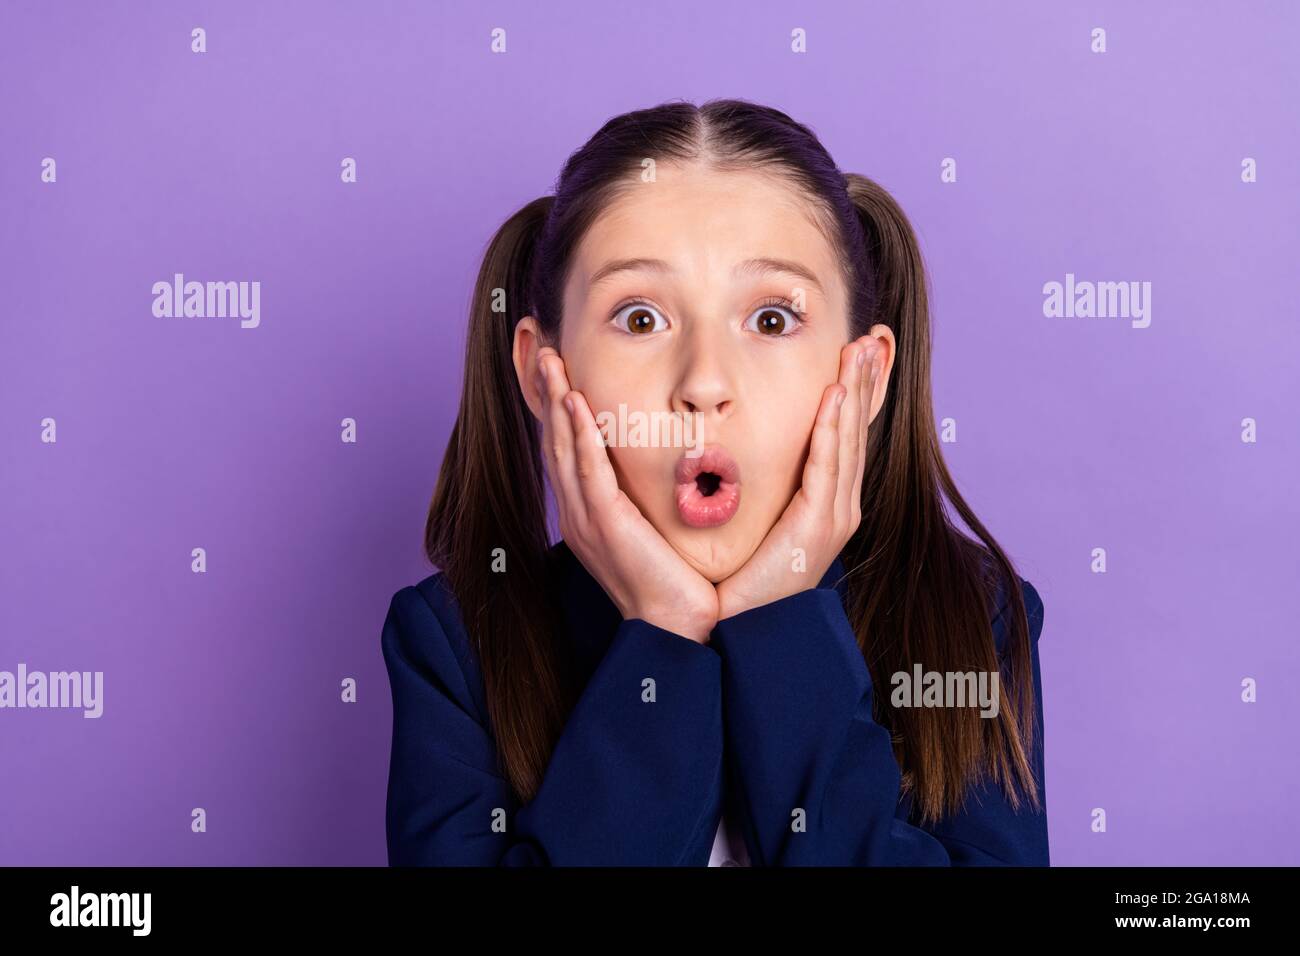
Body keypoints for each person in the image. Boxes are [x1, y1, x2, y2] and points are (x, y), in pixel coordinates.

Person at [382, 98, 1048, 866]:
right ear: (542, 372)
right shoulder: (454, 644)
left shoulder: (970, 623)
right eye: (639, 319)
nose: (703, 383)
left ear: (864, 380)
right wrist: (662, 633)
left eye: (770, 320)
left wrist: (781, 618)